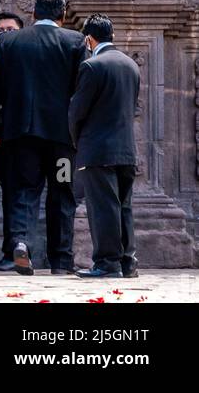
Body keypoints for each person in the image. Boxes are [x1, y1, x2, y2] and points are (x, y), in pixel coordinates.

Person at [0, 0, 87, 276]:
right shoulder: (75, 41)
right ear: (62, 16)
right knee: (62, 193)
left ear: (33, 14)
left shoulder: (10, 41)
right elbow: (82, 90)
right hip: (62, 139)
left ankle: (20, 242)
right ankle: (62, 259)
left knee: (22, 191)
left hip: (21, 133)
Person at [69, 14, 140, 279]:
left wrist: (78, 141)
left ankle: (107, 262)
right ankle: (127, 260)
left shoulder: (92, 66)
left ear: (89, 38)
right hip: (126, 148)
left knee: (103, 208)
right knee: (123, 206)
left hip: (98, 149)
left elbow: (77, 111)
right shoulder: (131, 64)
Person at [0, 10, 23, 271]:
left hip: (15, 141)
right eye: (0, 31)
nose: (4, 35)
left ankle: (13, 250)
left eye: (10, 30)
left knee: (14, 197)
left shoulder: (25, 63)